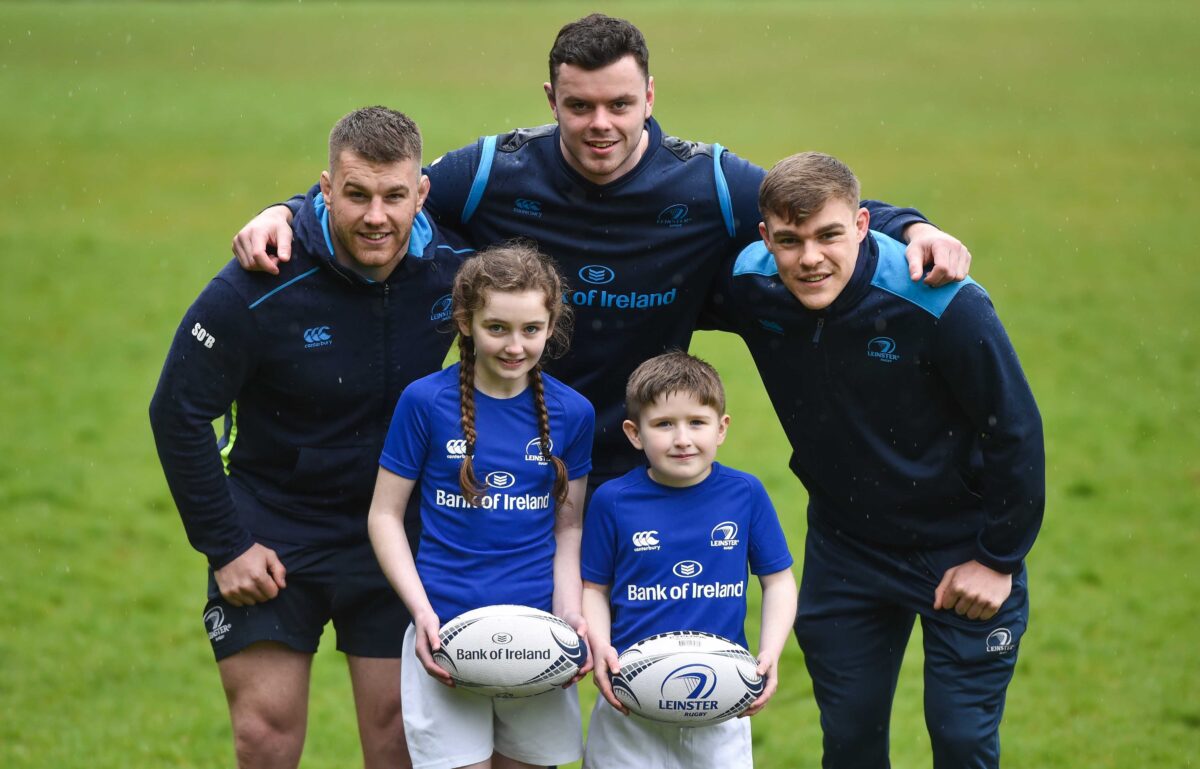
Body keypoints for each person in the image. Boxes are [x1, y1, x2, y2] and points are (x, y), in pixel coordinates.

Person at [229, 13, 972, 492]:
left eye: (619, 104)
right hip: (511, 461)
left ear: (650, 96)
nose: (600, 124)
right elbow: (384, 196)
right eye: (579, 105)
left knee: (644, 691)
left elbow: (811, 209)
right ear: (550, 99)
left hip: (645, 457)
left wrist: (911, 229)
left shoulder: (707, 179)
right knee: (518, 688)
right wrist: (287, 210)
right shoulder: (494, 169)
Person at [149, 106, 470, 769]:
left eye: (393, 195)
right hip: (274, 528)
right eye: (355, 194)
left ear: (421, 192)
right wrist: (226, 543)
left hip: (391, 529)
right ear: (324, 189)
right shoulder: (257, 283)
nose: (375, 215)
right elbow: (177, 410)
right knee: (264, 738)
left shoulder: (454, 270)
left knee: (397, 738)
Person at [712, 152, 1045, 768]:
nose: (810, 258)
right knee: (849, 742)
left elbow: (1016, 431)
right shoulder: (749, 284)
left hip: (960, 549)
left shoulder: (943, 301)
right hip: (847, 549)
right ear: (765, 238)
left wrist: (997, 561)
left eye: (829, 235)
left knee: (962, 739)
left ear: (864, 226)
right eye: (789, 241)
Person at [367, 243, 595, 769]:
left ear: (551, 323)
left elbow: (568, 529)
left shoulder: (572, 413)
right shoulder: (424, 402)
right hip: (446, 633)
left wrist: (570, 614)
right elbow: (384, 515)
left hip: (538, 639)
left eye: (531, 329)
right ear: (466, 322)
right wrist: (422, 613)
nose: (515, 346)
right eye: (498, 328)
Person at [580, 351, 797, 769]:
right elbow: (595, 588)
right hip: (631, 699)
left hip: (721, 700)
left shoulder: (746, 494)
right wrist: (603, 649)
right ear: (634, 432)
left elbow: (779, 582)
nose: (682, 439)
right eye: (664, 424)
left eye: (696, 422)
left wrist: (770, 651)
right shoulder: (612, 501)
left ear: (722, 428)